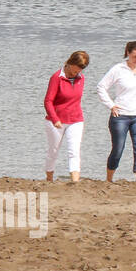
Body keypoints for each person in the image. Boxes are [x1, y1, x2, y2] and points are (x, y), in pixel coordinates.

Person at [96, 40, 136, 183]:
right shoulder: (118, 69)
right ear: (128, 53)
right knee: (117, 150)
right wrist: (111, 105)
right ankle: (109, 179)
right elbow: (101, 87)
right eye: (134, 56)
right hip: (120, 116)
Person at [43, 51, 89, 182]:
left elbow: (75, 100)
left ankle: (75, 181)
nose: (74, 74)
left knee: (74, 151)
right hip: (56, 121)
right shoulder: (57, 77)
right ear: (69, 63)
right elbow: (48, 101)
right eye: (73, 71)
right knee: (53, 151)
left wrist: (77, 75)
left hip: (76, 120)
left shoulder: (81, 78)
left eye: (77, 72)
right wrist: (54, 118)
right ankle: (49, 178)